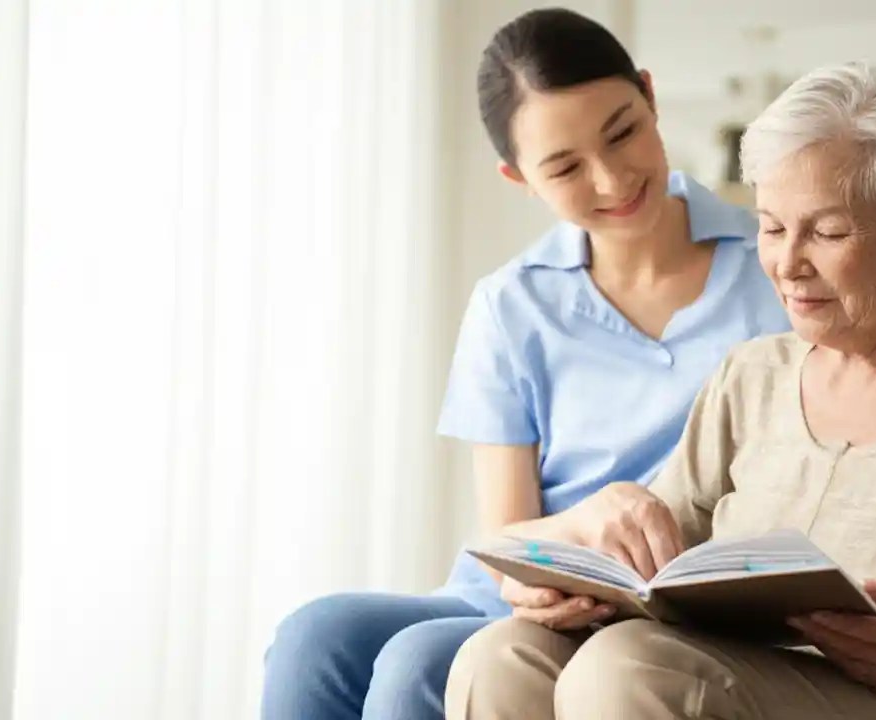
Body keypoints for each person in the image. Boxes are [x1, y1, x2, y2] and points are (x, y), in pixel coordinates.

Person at [447, 62, 876, 720]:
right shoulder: (749, 377)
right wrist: (572, 582)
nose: (786, 263)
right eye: (771, 227)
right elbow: (652, 565)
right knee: (502, 656)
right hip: (744, 680)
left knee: (633, 670)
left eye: (829, 231)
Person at [258, 8, 790, 719]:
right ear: (520, 179)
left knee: (417, 665)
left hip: (670, 598)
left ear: (651, 96)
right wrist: (569, 538)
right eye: (565, 167)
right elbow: (505, 532)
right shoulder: (511, 304)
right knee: (313, 635)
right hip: (529, 594)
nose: (610, 178)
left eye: (623, 131)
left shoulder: (776, 268)